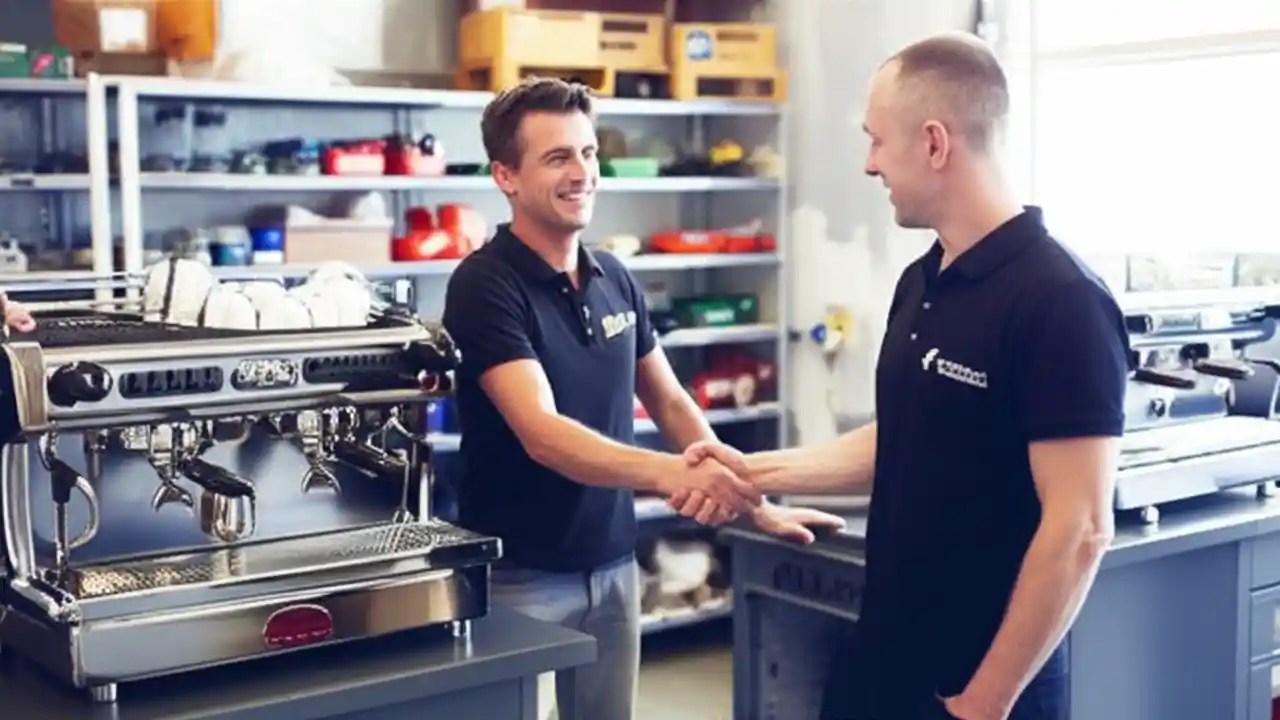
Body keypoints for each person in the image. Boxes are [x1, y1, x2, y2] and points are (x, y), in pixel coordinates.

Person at [673, 32, 1131, 720]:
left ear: (935, 143)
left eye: (877, 141)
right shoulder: (924, 279)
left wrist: (986, 700)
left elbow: (1082, 526)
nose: (868, 164)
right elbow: (911, 437)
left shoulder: (1060, 299)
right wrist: (753, 472)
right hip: (886, 651)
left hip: (982, 681)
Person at [441, 77, 844, 720]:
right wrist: (671, 474)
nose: (582, 173)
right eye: (558, 158)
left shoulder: (615, 278)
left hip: (614, 565)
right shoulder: (485, 285)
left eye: (589, 153)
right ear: (505, 177)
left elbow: (673, 403)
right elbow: (542, 432)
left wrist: (752, 502)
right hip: (521, 575)